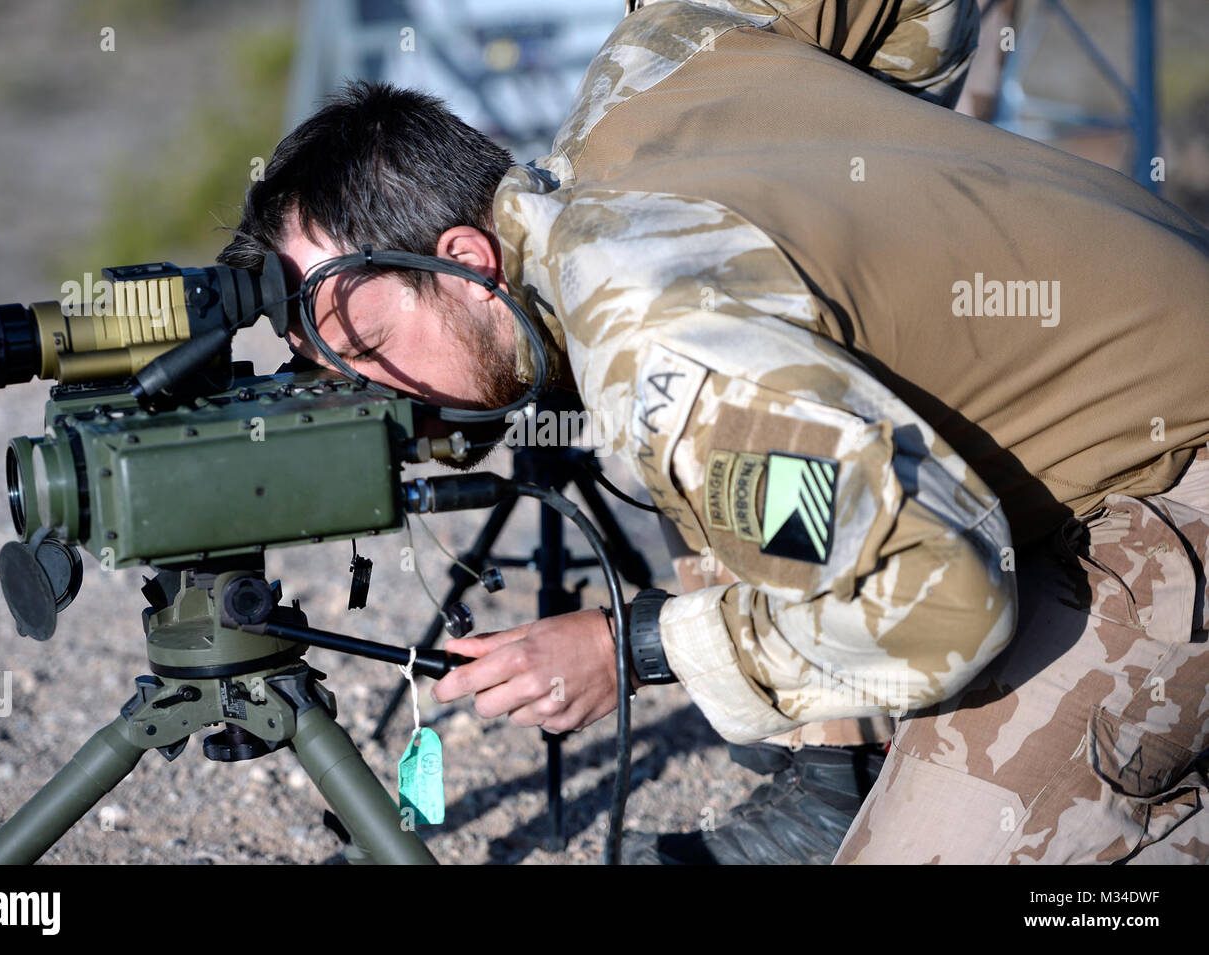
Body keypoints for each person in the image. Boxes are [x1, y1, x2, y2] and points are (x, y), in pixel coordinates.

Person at [219, 0, 1209, 863]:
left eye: (369, 338)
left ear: (467, 258)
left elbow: (942, 601)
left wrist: (635, 645)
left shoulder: (649, 337)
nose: (365, 384)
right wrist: (882, 146)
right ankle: (839, 770)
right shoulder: (655, 65)